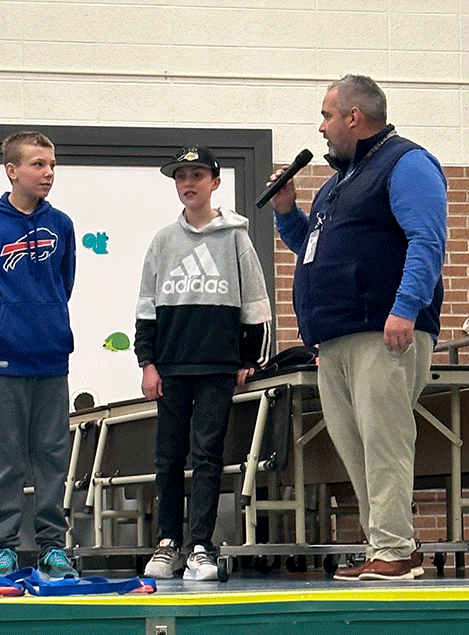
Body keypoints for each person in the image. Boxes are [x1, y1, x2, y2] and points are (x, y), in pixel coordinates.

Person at [267, 74, 447, 581]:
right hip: (336, 336)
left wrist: (405, 308)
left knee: (384, 441)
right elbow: (315, 249)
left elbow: (427, 240)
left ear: (353, 116)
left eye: (327, 116)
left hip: (382, 329)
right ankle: (387, 545)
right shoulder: (339, 182)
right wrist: (287, 212)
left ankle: (393, 549)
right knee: (356, 447)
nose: (321, 127)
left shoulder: (406, 163)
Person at [135, 146, 272, 581]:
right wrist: (147, 362)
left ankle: (200, 547)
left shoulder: (236, 239)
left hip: (217, 368)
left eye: (197, 174)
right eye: (181, 176)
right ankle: (168, 544)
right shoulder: (162, 241)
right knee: (168, 458)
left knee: (208, 457)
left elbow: (256, 303)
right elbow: (146, 308)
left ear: (214, 182)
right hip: (171, 367)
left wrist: (250, 358)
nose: (188, 183)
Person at [0, 131, 79, 581]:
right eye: (38, 164)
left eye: (52, 165)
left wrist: (47, 324)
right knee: (7, 459)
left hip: (51, 358)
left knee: (52, 458)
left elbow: (64, 283)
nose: (48, 173)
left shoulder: (61, 224)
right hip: (4, 361)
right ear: (12, 170)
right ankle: (3, 548)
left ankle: (52, 547)